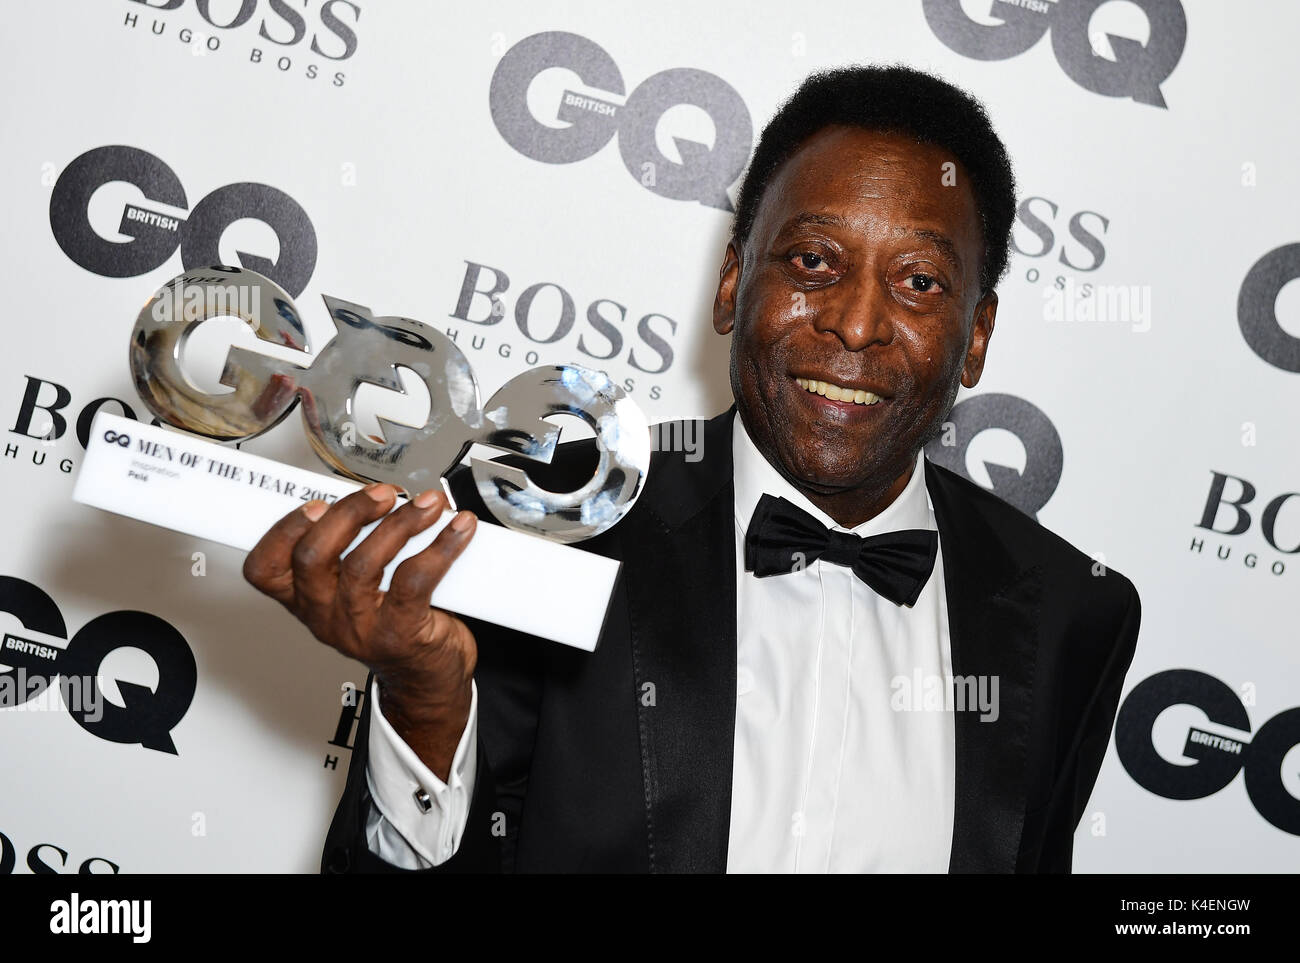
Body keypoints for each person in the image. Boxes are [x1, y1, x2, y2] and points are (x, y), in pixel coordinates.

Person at [243, 65, 1141, 873]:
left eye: (918, 283)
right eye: (814, 261)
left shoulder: (1073, 614)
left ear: (977, 336)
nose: (857, 325)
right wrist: (427, 702)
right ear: (731, 284)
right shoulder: (540, 520)